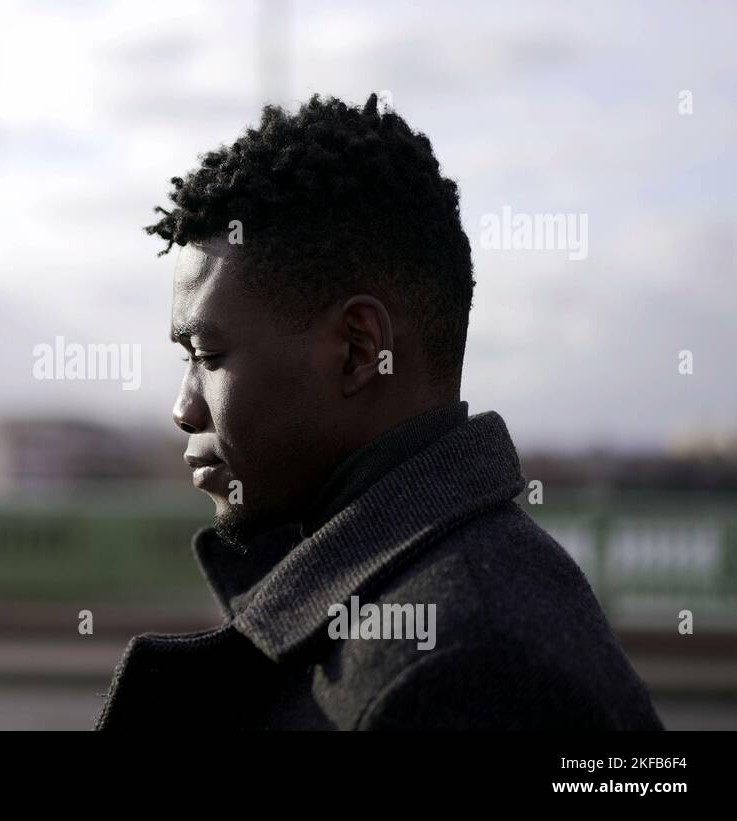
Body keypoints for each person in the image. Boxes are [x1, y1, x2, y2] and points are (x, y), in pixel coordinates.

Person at [95, 93, 663, 730]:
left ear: (358, 350)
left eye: (207, 353)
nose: (182, 408)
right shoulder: (456, 602)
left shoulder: (468, 676)